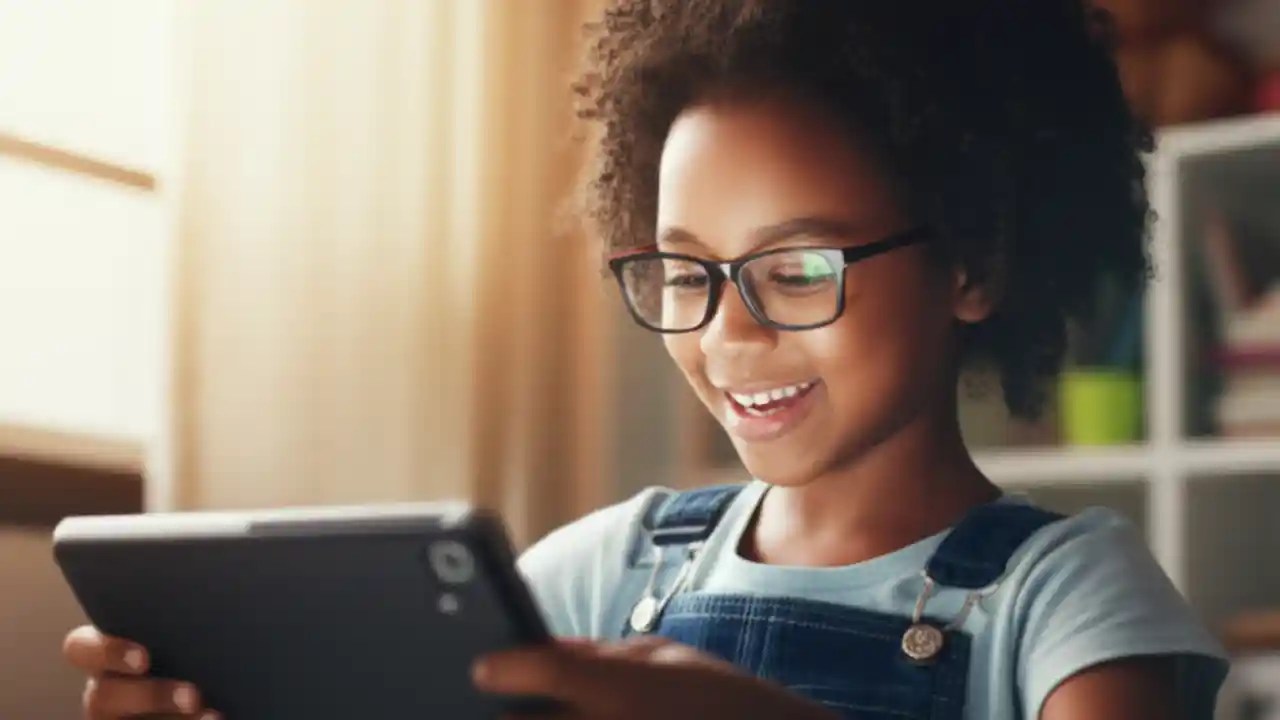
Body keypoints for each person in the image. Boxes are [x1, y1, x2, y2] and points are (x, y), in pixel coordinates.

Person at [62, 1, 1228, 718]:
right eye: (684, 271)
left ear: (971, 266)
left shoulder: (1065, 595)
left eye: (797, 268)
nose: (726, 330)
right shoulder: (604, 572)